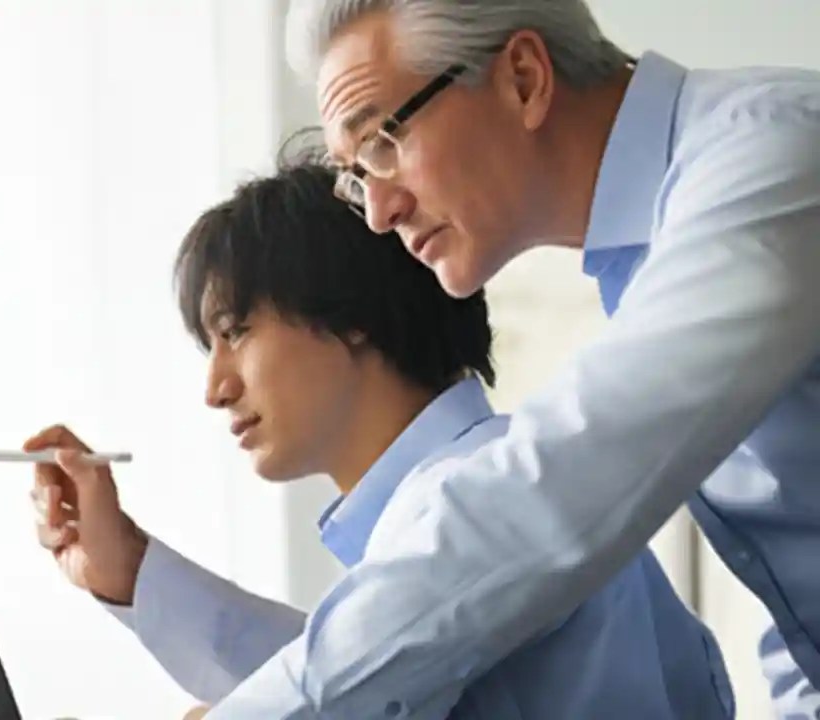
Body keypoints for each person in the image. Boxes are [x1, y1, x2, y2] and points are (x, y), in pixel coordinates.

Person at [170, 0, 820, 717]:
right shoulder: (646, 253)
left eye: (384, 139)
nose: (378, 212)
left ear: (522, 78)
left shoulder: (770, 164)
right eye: (357, 174)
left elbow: (552, 498)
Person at [25, 159, 733, 718]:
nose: (215, 388)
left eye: (235, 333)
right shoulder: (473, 483)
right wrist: (130, 571)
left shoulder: (477, 492)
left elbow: (331, 688)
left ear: (350, 313)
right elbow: (348, 668)